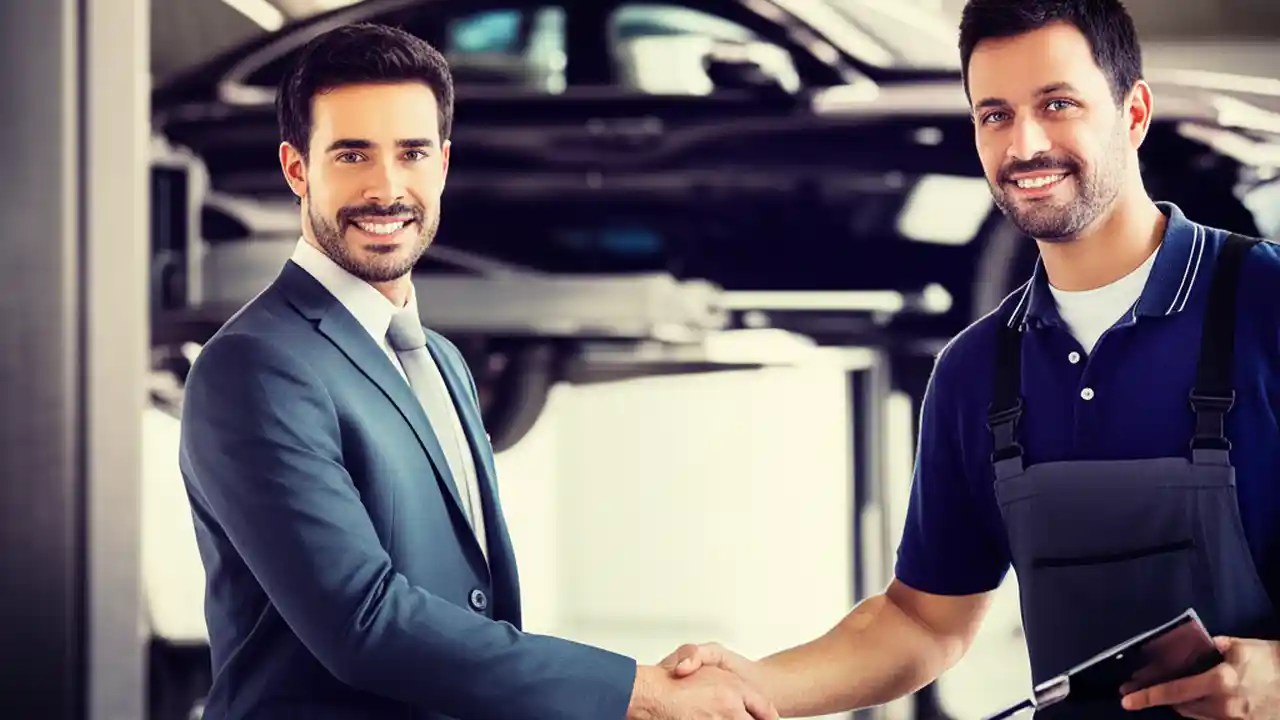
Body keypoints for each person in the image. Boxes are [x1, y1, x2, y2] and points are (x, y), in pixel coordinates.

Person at [662, 1, 1280, 718]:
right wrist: (751, 687)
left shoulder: (1265, 304)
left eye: (1058, 104)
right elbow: (923, 621)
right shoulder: (975, 373)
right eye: (995, 115)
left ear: (1134, 113)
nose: (1025, 145)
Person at [178, 22, 777, 720]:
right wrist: (637, 694)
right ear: (296, 169)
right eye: (352, 155)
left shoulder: (443, 361)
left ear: (443, 165)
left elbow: (471, 607)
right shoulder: (256, 366)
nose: (387, 187)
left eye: (412, 153)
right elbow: (364, 622)